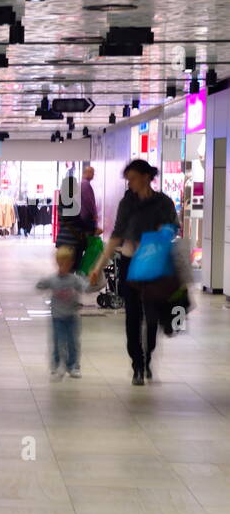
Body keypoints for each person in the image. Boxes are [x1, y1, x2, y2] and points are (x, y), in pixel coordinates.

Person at [89, 158, 178, 385]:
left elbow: (172, 229)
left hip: (156, 266)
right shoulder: (126, 204)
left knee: (152, 317)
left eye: (133, 179)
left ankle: (148, 358)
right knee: (132, 316)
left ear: (146, 177)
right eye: (128, 180)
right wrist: (98, 266)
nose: (130, 184)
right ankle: (137, 364)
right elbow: (116, 236)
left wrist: (160, 235)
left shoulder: (163, 203)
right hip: (130, 265)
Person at [36, 246, 92, 379]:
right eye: (61, 264)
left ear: (71, 263)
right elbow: (41, 285)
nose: (63, 266)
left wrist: (90, 280)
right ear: (57, 263)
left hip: (72, 317)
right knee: (57, 342)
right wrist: (41, 284)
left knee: (73, 342)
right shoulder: (53, 279)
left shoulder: (74, 279)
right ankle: (55, 366)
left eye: (66, 264)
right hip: (57, 318)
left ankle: (73, 366)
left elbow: (86, 288)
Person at [56, 166, 102, 270]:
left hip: (62, 241)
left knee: (64, 271)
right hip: (73, 242)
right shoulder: (73, 205)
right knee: (73, 270)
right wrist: (93, 229)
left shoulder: (61, 204)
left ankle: (64, 285)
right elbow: (79, 221)